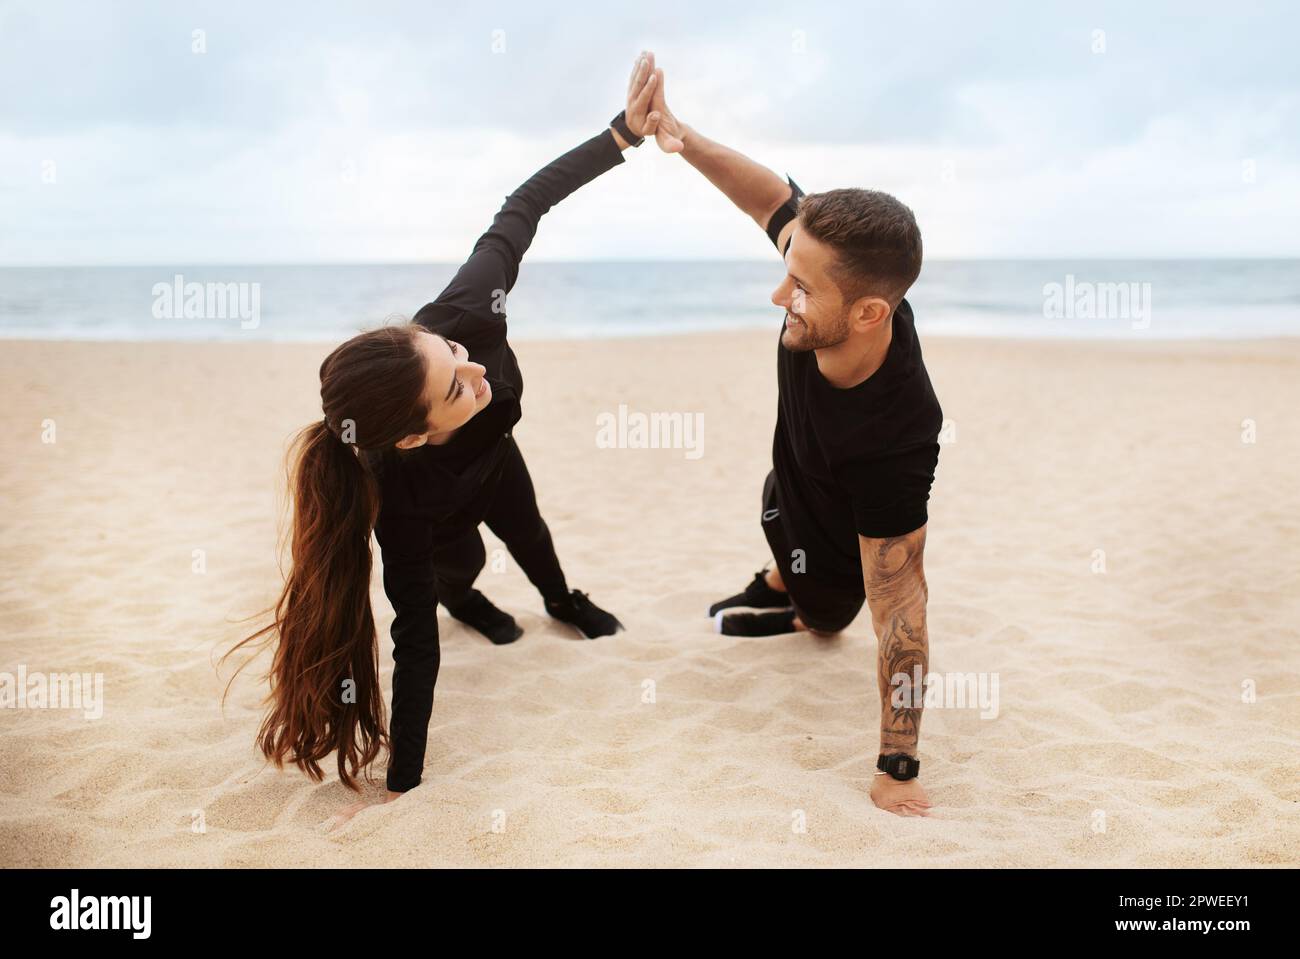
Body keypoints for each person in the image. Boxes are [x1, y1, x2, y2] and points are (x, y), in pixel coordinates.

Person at [226, 54, 667, 829]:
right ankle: (474, 598)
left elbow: (523, 206)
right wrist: (405, 776)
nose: (473, 370)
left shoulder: (466, 309)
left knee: (532, 535)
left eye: (455, 356)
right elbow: (413, 646)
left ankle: (561, 602)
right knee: (452, 576)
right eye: (454, 386)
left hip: (498, 461)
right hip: (439, 512)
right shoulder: (395, 499)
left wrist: (621, 135)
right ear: (412, 437)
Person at [630, 54, 943, 817]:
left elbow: (902, 611)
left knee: (826, 616)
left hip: (839, 549)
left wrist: (896, 764)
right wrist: (683, 138)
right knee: (778, 508)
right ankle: (775, 576)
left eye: (799, 288)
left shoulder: (898, 436)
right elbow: (769, 198)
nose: (779, 296)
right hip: (790, 485)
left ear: (872, 314)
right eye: (788, 269)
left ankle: (794, 597)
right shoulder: (831, 264)